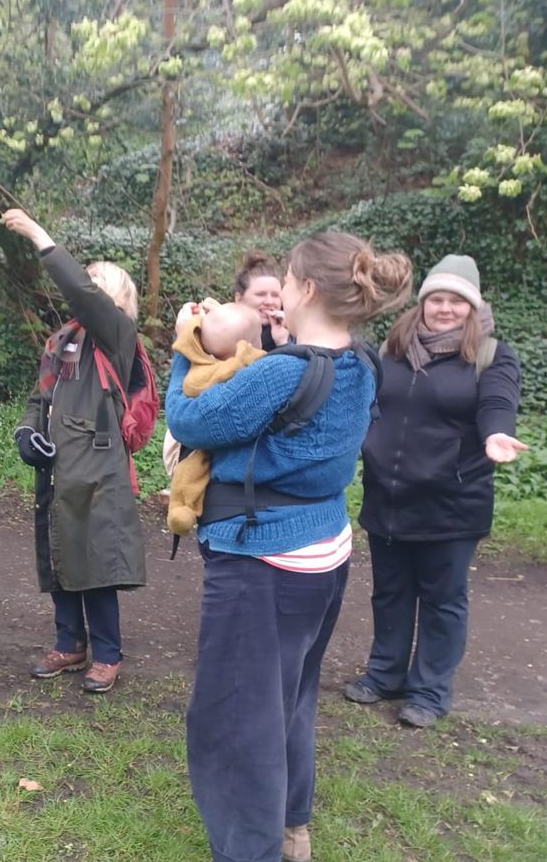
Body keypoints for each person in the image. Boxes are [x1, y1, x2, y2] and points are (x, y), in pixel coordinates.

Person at [166, 232, 412, 862]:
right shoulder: (361, 362)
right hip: (324, 555)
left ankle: (252, 850)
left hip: (262, 563)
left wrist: (184, 343)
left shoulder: (282, 372)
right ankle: (289, 828)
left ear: (303, 288)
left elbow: (189, 419)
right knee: (290, 697)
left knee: (236, 720)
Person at [345, 254, 526, 728]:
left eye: (456, 301)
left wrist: (495, 434)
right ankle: (385, 675)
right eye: (437, 299)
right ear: (423, 302)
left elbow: (498, 402)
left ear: (473, 305)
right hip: (387, 494)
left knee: (443, 598)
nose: (445, 309)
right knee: (389, 592)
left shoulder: (491, 355)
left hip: (451, 500)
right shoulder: (394, 347)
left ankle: (430, 690)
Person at [2, 208, 146, 695]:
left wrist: (41, 237)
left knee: (98, 561)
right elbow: (37, 399)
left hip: (99, 469)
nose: (86, 287)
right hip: (59, 468)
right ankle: (70, 643)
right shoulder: (61, 342)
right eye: (87, 280)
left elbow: (84, 299)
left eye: (96, 282)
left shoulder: (119, 335)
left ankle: (107, 653)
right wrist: (26, 434)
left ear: (118, 298)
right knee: (60, 555)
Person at [166, 301, 267, 537]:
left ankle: (183, 506)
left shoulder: (204, 371)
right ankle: (184, 506)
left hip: (224, 493)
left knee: (191, 469)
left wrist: (188, 336)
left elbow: (182, 416)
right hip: (240, 503)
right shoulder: (249, 367)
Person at [234, 249, 291, 350]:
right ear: (239, 298)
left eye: (275, 295)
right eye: (260, 294)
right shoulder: (221, 331)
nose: (269, 302)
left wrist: (283, 343)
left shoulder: (293, 334)